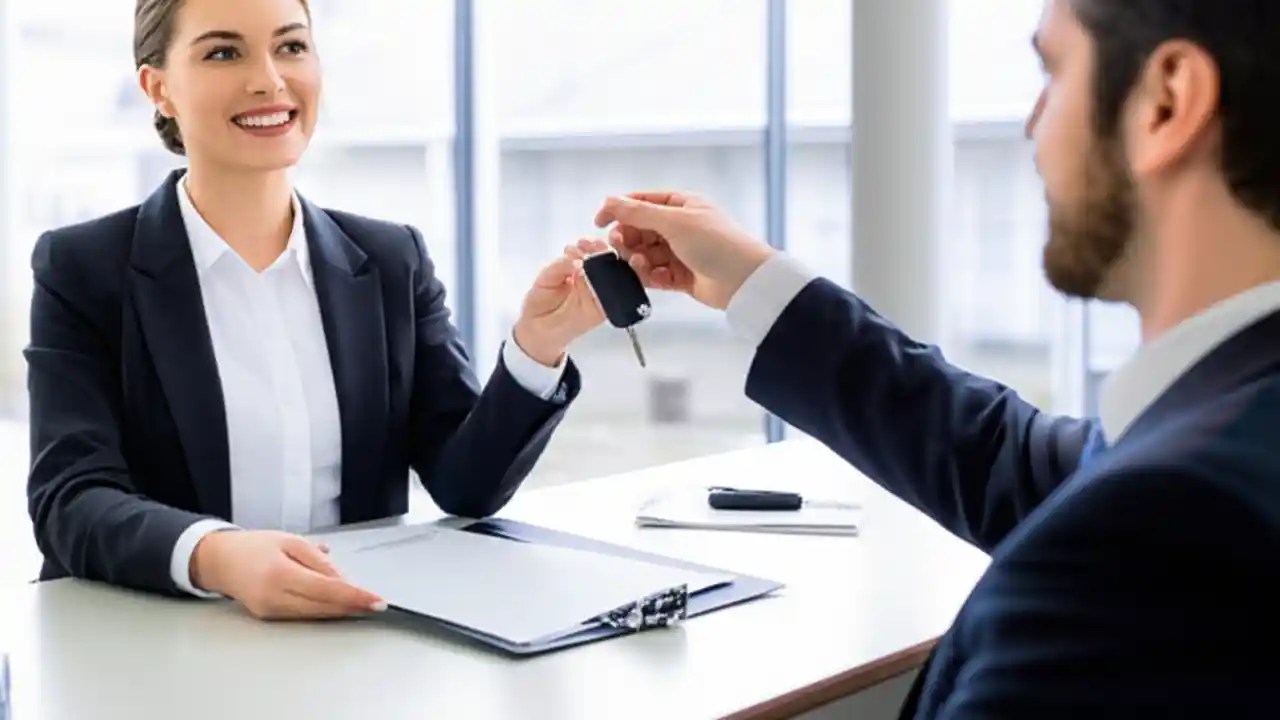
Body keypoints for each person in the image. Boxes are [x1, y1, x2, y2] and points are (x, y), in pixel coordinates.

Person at [595, 0, 1280, 716]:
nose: (1033, 126)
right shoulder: (1232, 428)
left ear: (1167, 102)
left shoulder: (1149, 543)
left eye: (1055, 73)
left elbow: (1106, 516)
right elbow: (1018, 464)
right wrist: (755, 282)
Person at [25, 0, 607, 621]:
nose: (269, 80)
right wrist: (219, 557)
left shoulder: (390, 260)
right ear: (158, 87)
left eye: (291, 47)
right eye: (224, 52)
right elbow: (72, 499)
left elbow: (466, 485)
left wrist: (538, 346)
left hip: (352, 642)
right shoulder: (84, 268)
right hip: (154, 645)